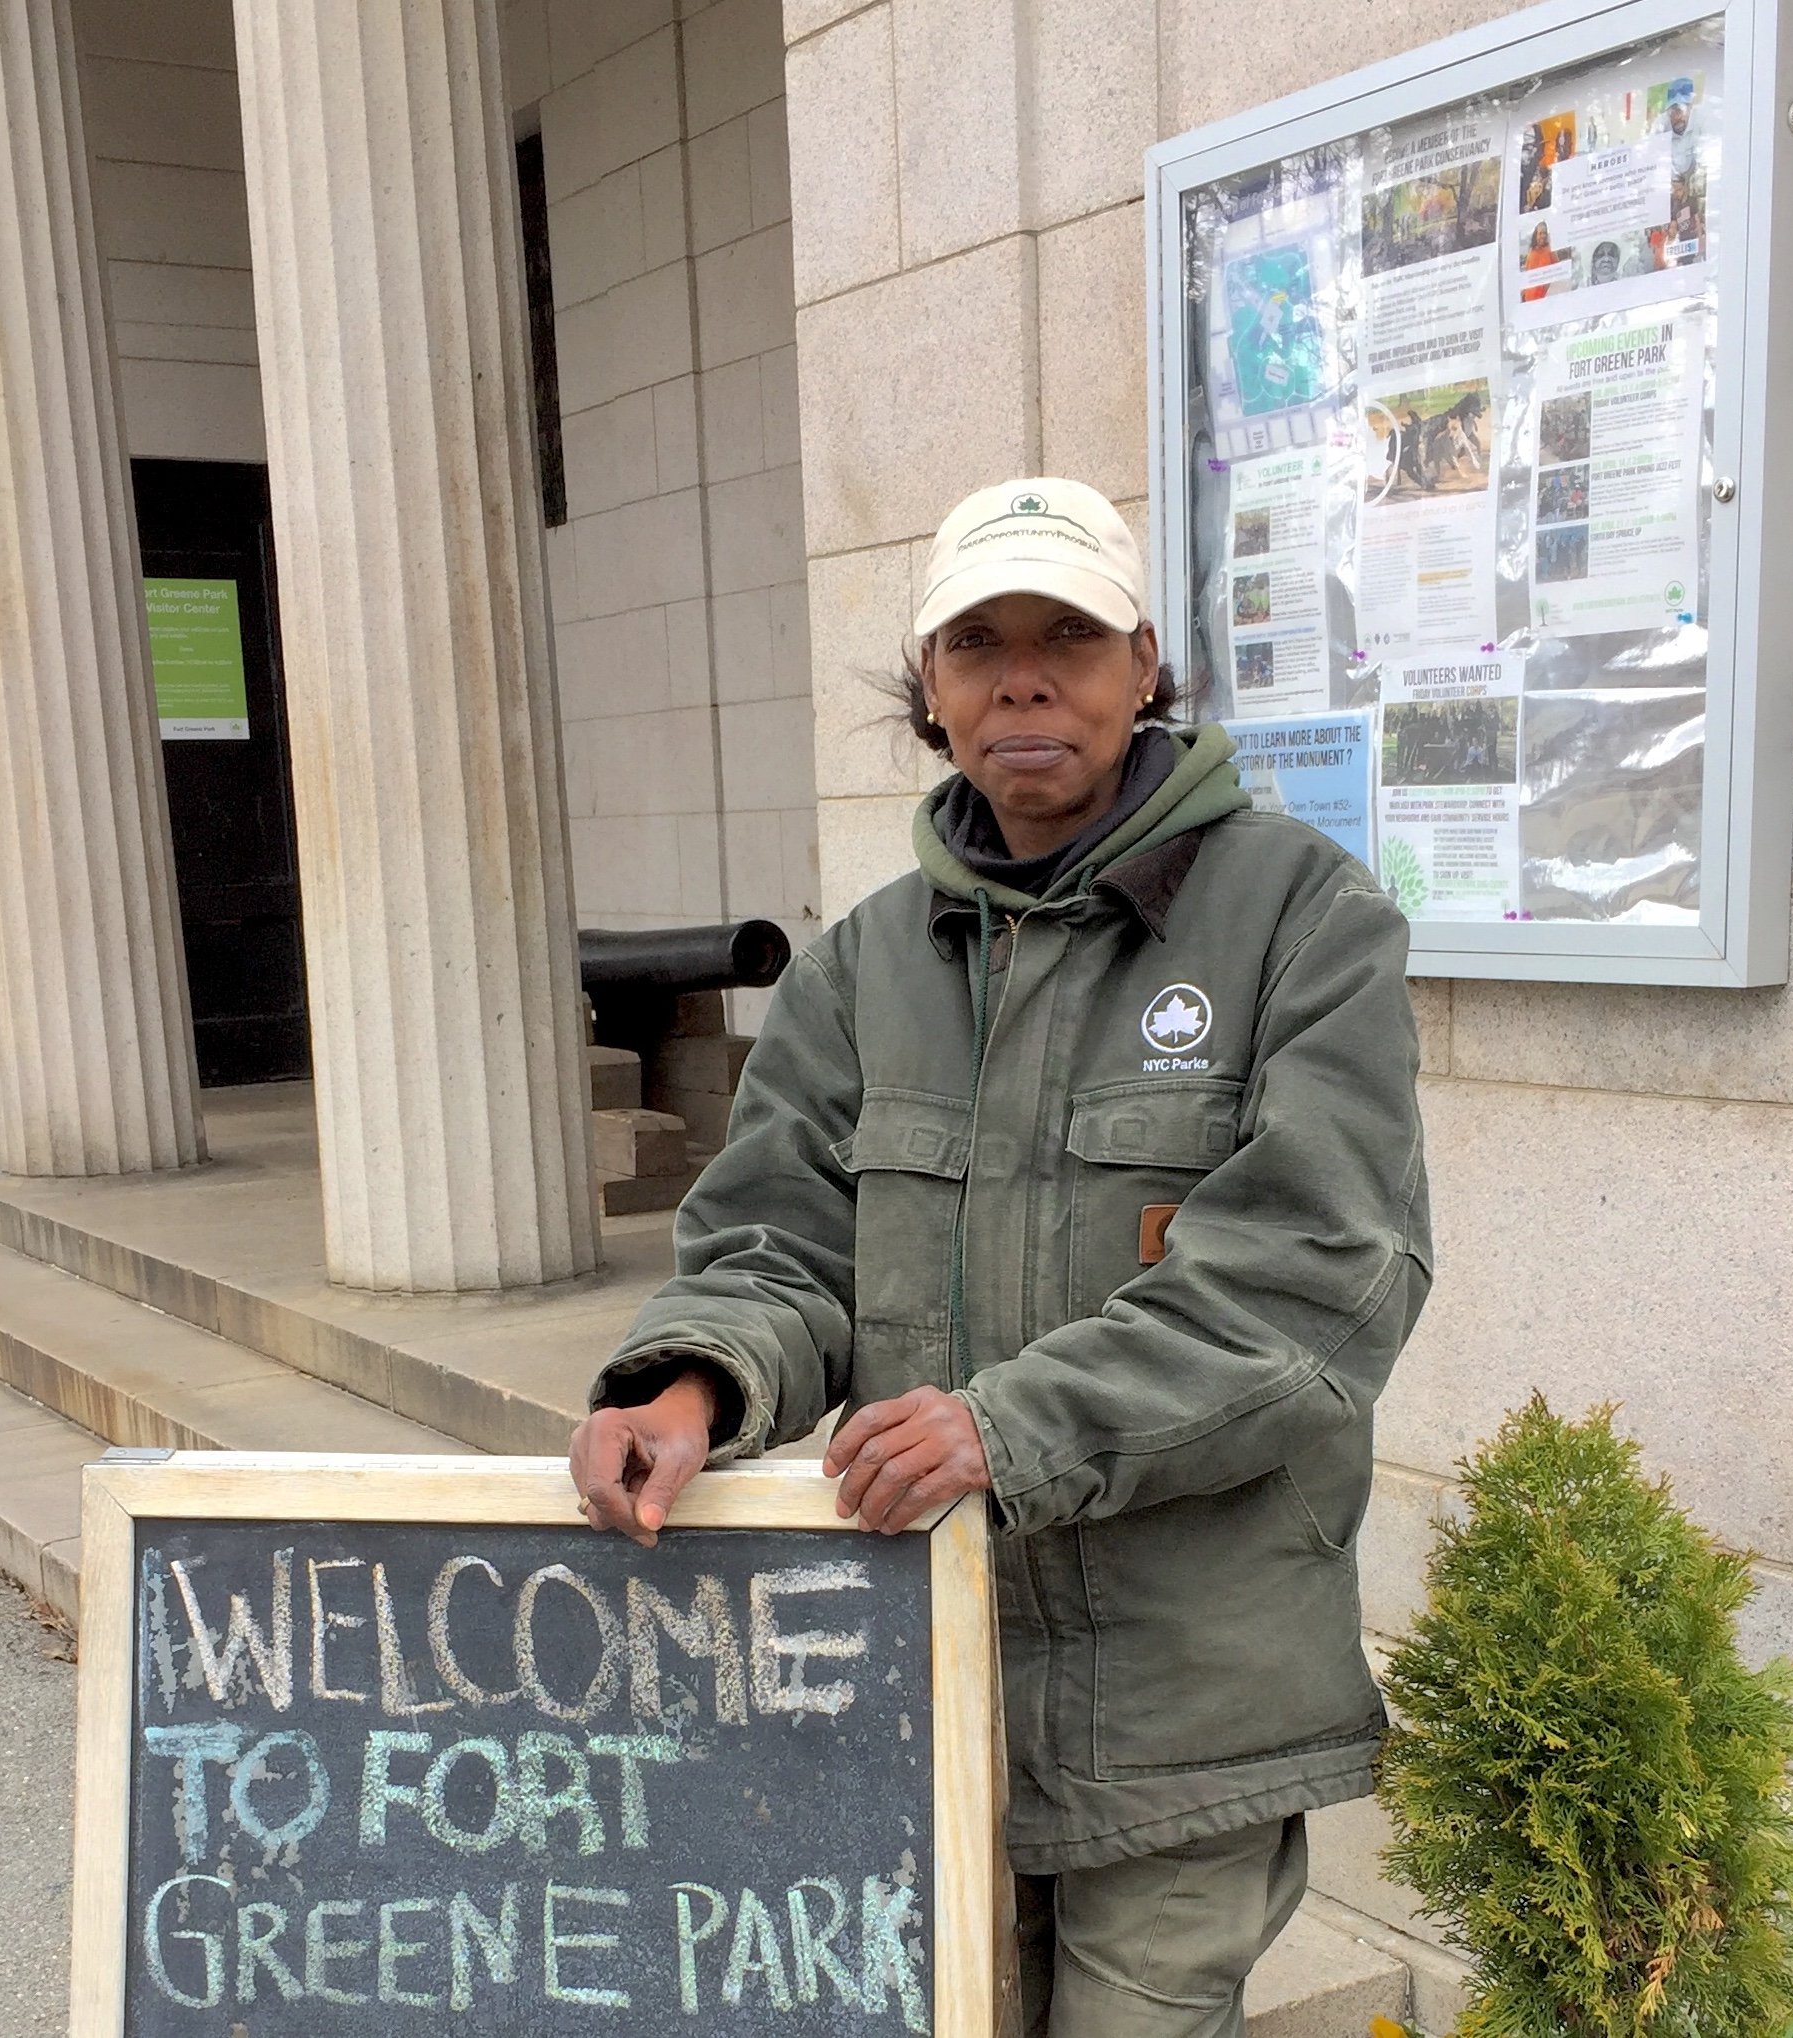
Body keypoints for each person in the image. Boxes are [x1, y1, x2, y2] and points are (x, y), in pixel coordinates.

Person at [567, 477, 1432, 2038]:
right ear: (932, 686)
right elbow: (778, 1236)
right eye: (978, 642)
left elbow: (1317, 1281)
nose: (1022, 677)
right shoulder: (858, 969)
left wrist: (1007, 1428)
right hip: (912, 1679)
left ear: (1146, 663)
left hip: (1183, 1708)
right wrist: (693, 1383)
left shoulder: (1304, 918)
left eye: (1068, 636)